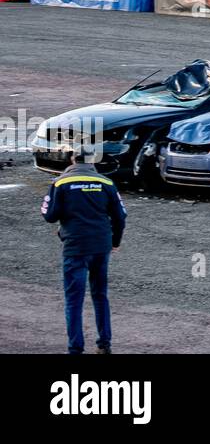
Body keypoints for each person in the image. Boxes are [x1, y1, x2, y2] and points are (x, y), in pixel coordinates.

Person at [41, 146, 126, 354]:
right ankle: (104, 345)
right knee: (100, 295)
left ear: (72, 159)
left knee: (74, 300)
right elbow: (120, 217)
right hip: (101, 246)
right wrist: (115, 242)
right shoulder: (106, 183)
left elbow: (49, 215)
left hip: (75, 247)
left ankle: (75, 349)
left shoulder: (60, 183)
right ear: (93, 161)